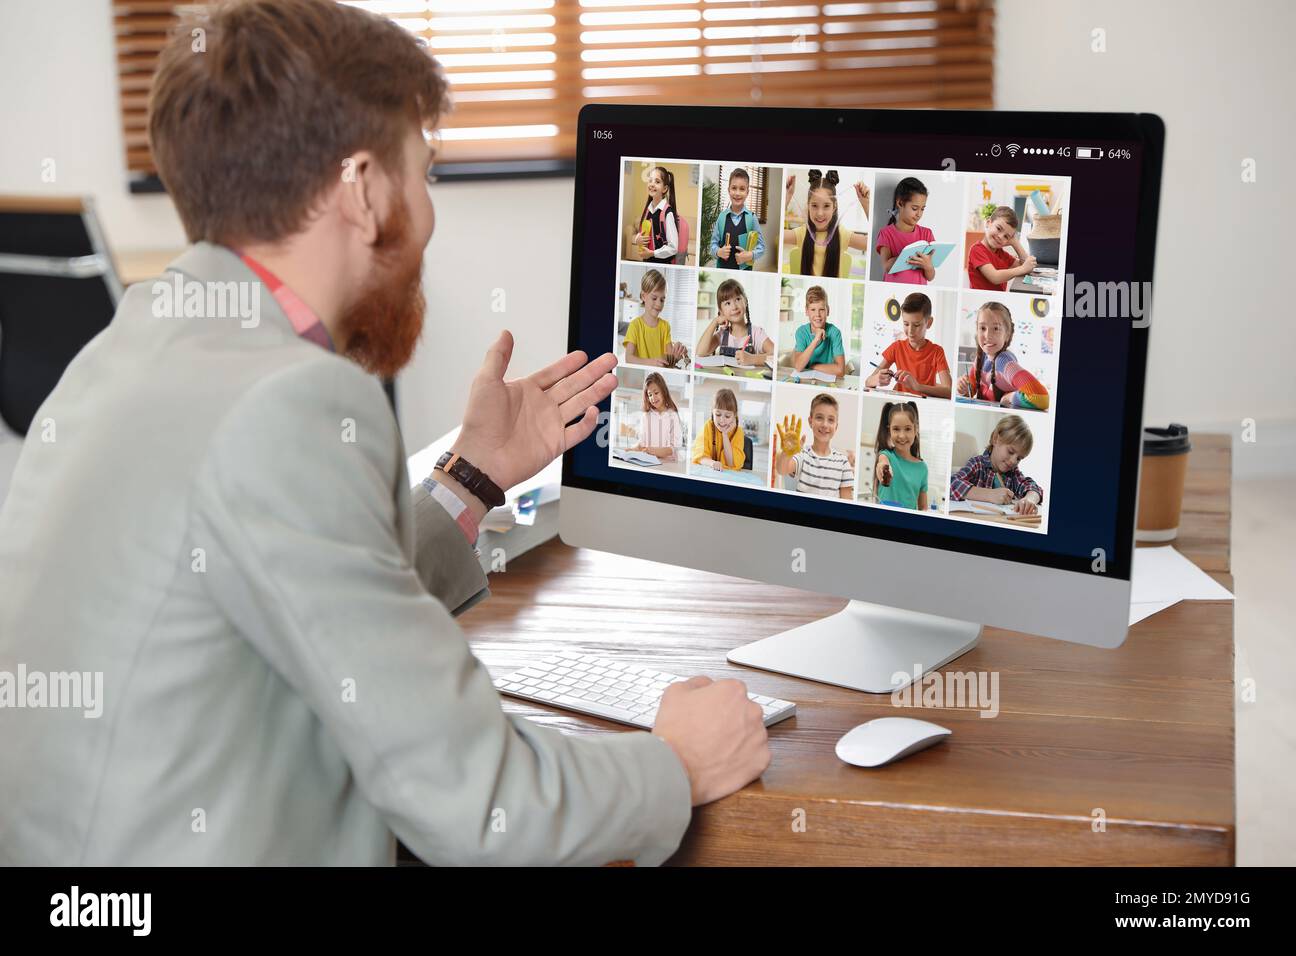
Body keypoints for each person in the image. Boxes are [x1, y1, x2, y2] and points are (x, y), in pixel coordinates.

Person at [0, 0, 769, 866]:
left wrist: (473, 476)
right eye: (425, 172)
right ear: (364, 191)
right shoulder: (289, 401)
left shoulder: (128, 349)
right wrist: (672, 763)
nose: (430, 214)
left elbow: (310, 603)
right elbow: (478, 805)